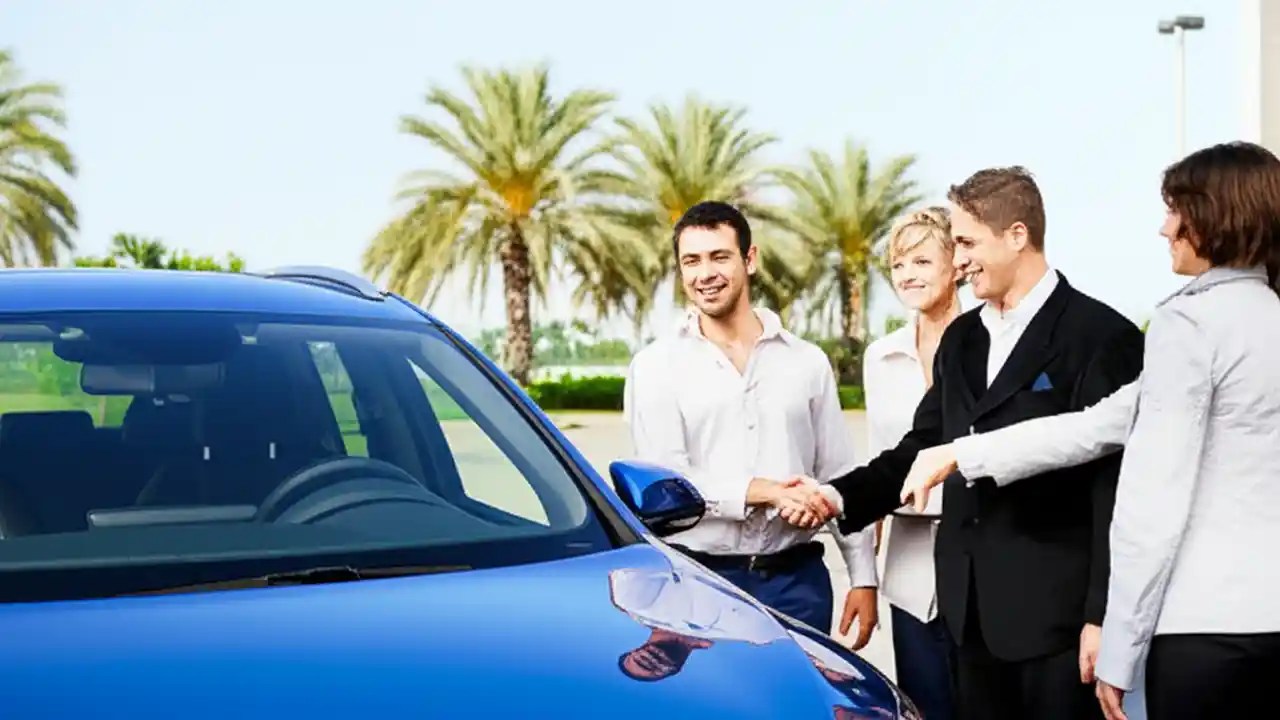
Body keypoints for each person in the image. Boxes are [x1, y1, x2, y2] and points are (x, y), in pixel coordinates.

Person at [896, 141, 1280, 720]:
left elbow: (1152, 499)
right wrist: (961, 453)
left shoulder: (1189, 322)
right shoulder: (1266, 314)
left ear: (1214, 216)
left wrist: (1119, 648)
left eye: (1175, 208)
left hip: (1207, 629)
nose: (1164, 227)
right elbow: (1100, 423)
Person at [791, 166, 1146, 720]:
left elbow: (1115, 494)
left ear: (1018, 235)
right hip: (967, 619)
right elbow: (921, 446)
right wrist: (836, 499)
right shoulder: (963, 338)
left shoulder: (1102, 337)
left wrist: (1103, 617)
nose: (957, 260)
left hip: (1057, 627)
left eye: (966, 243)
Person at [623, 200, 879, 644]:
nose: (705, 273)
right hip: (698, 582)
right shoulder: (655, 366)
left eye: (719, 256)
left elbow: (838, 473)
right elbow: (668, 485)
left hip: (797, 583)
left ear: (750, 259)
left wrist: (863, 576)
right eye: (692, 261)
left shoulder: (807, 362)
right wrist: (768, 492)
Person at [862, 206, 963, 719]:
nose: (908, 276)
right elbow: (881, 461)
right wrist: (864, 578)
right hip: (910, 570)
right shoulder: (880, 358)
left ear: (957, 263)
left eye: (922, 260)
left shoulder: (996, 344)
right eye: (899, 264)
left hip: (985, 562)